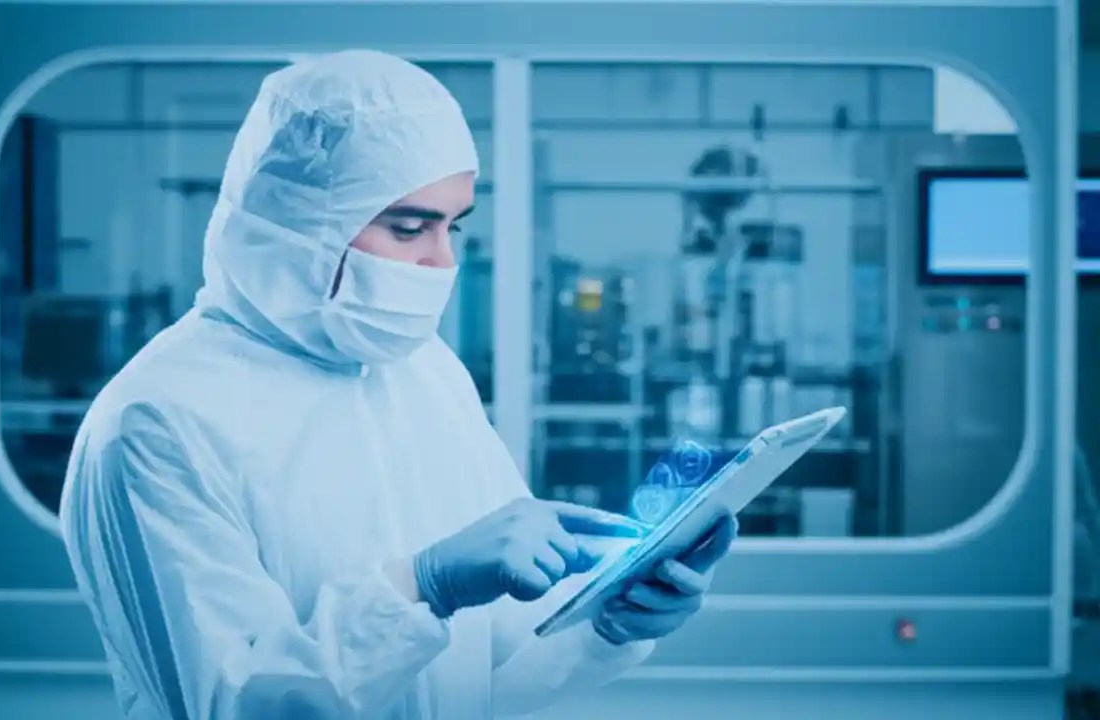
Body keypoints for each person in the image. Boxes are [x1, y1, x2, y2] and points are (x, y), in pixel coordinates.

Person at [59, 50, 737, 720]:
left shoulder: (421, 372)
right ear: (294, 226)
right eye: (409, 227)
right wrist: (422, 586)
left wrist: (607, 620)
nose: (441, 262)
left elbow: (489, 674)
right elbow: (239, 706)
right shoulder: (157, 421)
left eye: (454, 227)